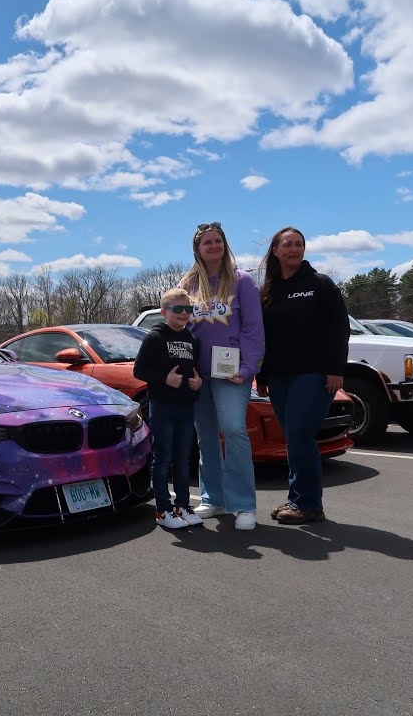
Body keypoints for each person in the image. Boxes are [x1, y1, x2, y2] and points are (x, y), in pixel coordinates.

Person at [256, 226, 350, 525]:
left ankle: (308, 504)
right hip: (279, 377)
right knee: (293, 439)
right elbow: (264, 338)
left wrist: (335, 369)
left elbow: (339, 328)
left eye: (299, 244)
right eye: (288, 245)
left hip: (313, 374)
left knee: (299, 436)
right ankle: (297, 498)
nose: (294, 249)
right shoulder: (268, 291)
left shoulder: (319, 284)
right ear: (275, 251)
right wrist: (263, 376)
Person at [178, 222, 264, 530]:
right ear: (197, 249)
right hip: (197, 373)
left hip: (232, 373)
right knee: (206, 435)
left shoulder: (242, 281)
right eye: (207, 242)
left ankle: (244, 505)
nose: (213, 246)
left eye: (218, 241)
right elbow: (179, 327)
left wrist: (247, 368)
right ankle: (213, 499)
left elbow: (253, 329)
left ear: (225, 245)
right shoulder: (188, 284)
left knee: (233, 429)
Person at [133, 287, 205, 529]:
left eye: (188, 309)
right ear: (164, 312)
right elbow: (139, 370)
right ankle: (163, 510)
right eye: (178, 309)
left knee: (183, 459)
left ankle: (182, 506)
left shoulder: (192, 340)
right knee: (163, 458)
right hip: (163, 406)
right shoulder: (154, 338)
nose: (184, 313)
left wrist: (198, 384)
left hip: (186, 406)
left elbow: (196, 372)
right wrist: (165, 379)